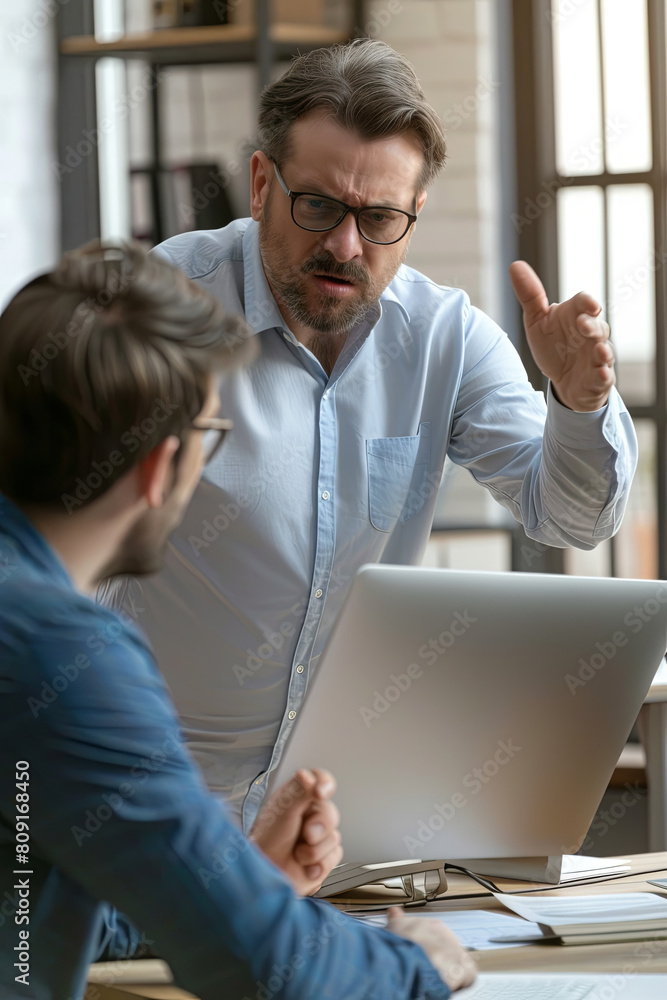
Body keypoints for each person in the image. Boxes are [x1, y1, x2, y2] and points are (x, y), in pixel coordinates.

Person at [113, 38, 638, 833]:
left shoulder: (445, 338)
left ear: (413, 216)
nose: (345, 246)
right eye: (316, 205)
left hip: (337, 826)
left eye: (380, 217)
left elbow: (572, 518)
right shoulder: (158, 309)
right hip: (148, 813)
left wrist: (576, 404)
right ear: (261, 184)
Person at [0, 243, 476, 999]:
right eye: (210, 440)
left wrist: (234, 883)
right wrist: (418, 964)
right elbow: (258, 968)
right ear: (161, 466)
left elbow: (25, 893)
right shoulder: (65, 656)